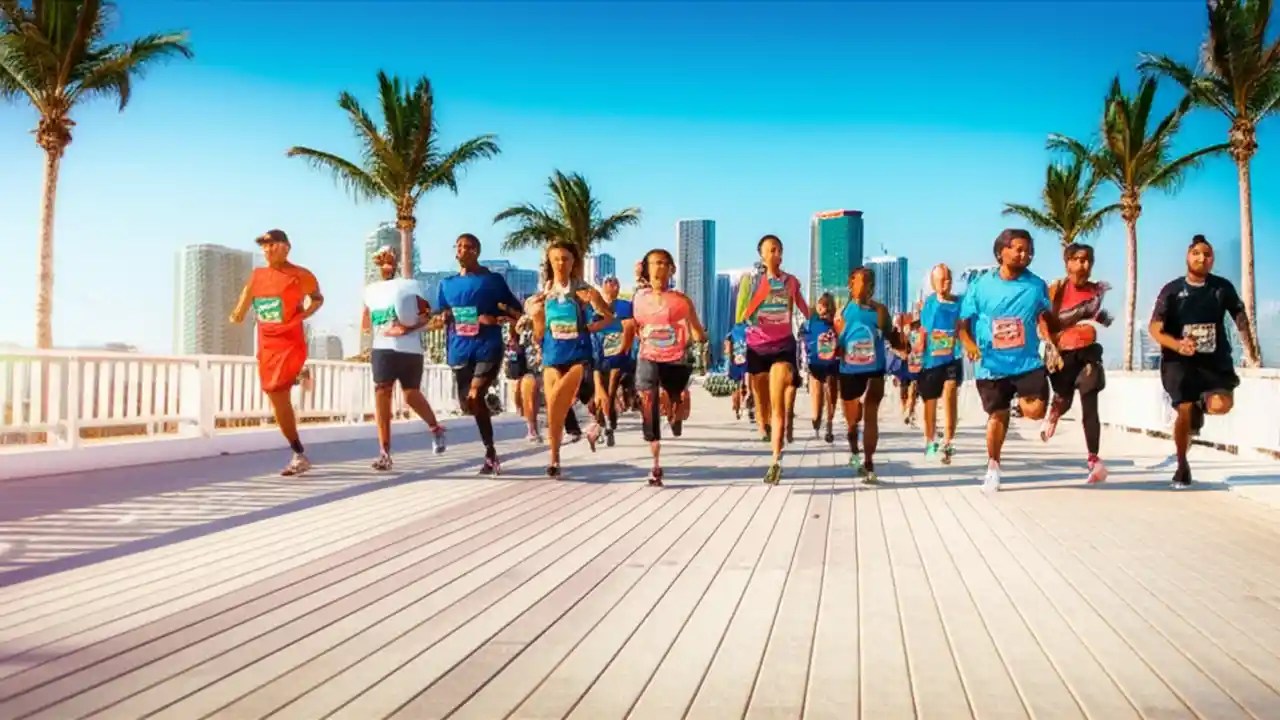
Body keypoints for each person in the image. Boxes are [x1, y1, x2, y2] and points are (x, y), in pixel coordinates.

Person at [1149, 235, 1260, 489]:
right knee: (1185, 410)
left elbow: (1240, 318)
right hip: (1179, 362)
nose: (1202, 258)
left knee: (1221, 405)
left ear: (1212, 260)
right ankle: (1181, 465)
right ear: (1188, 256)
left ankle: (1199, 406)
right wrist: (1178, 345)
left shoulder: (1222, 288)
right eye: (1196, 253)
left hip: (1214, 362)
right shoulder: (1172, 290)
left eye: (1207, 254)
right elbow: (1155, 328)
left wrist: (1251, 350)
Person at [959, 228, 1055, 494]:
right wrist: (968, 343)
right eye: (1019, 249)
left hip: (1026, 362)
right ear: (1001, 251)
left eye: (1029, 250)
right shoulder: (980, 285)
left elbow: (1044, 318)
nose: (1025, 254)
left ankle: (1015, 408)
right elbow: (963, 323)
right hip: (991, 364)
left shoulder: (1036, 285)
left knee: (1035, 410)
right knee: (995, 417)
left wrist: (1051, 342)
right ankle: (993, 467)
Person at [229, 229, 324, 476]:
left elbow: (317, 298)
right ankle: (298, 451)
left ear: (286, 247)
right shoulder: (257, 276)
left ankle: (298, 453)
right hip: (267, 345)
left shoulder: (300, 275)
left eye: (272, 245)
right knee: (275, 397)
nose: (268, 250)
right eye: (264, 246)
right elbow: (241, 307)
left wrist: (302, 315)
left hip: (290, 342)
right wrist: (236, 315)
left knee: (276, 389)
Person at [433, 233, 522, 475]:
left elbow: (517, 310)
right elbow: (441, 313)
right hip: (460, 349)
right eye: (459, 246)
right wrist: (443, 316)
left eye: (467, 247)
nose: (462, 250)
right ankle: (491, 447)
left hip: (488, 346)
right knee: (468, 403)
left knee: (474, 394)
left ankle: (489, 449)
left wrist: (497, 318)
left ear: (477, 252)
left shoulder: (492, 280)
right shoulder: (447, 284)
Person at [527, 241, 614, 478]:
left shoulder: (584, 291)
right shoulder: (543, 294)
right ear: (549, 262)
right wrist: (536, 317)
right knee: (555, 404)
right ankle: (554, 457)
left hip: (578, 356)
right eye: (555, 259)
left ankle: (581, 433)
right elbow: (537, 336)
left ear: (574, 262)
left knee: (556, 400)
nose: (560, 263)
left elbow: (609, 318)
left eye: (565, 258)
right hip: (552, 355)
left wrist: (593, 315)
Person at [361, 245, 447, 470]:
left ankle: (435, 428)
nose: (386, 263)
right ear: (377, 264)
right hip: (382, 348)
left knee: (410, 395)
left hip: (409, 349)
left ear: (396, 262)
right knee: (382, 390)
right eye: (381, 259)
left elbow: (428, 317)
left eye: (390, 259)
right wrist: (371, 323)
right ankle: (384, 452)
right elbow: (366, 325)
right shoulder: (370, 291)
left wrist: (407, 329)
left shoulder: (410, 287)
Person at [632, 249, 708, 486]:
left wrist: (700, 340)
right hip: (648, 358)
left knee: (673, 403)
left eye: (665, 263)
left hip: (675, 360)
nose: (659, 268)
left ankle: (676, 411)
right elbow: (635, 322)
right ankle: (655, 464)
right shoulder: (639, 297)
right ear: (647, 268)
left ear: (672, 269)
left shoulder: (681, 301)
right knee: (648, 404)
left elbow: (697, 330)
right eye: (655, 263)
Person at [738, 235, 810, 484]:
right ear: (762, 255)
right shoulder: (752, 281)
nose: (776, 254)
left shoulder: (791, 282)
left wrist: (819, 322)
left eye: (779, 249)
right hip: (757, 348)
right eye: (771, 250)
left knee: (777, 403)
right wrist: (763, 292)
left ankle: (776, 460)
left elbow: (804, 308)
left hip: (782, 347)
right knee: (762, 405)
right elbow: (743, 315)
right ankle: (765, 425)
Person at [1040, 243, 1113, 484]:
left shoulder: (1096, 291)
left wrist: (1104, 321)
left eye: (1088, 260)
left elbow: (1099, 316)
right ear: (1067, 263)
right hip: (1062, 355)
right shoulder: (1056, 290)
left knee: (1090, 400)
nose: (1084, 265)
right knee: (1065, 399)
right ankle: (1055, 411)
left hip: (1088, 354)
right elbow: (1043, 321)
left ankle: (1094, 458)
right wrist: (1052, 345)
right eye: (1078, 260)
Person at [835, 267, 900, 482]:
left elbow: (893, 338)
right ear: (851, 285)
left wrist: (904, 344)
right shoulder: (842, 312)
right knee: (853, 421)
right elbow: (834, 344)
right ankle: (855, 449)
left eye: (869, 282)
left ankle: (869, 462)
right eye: (860, 282)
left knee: (871, 413)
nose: (865, 286)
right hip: (849, 371)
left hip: (874, 370)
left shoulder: (881, 311)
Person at [916, 263, 964, 464]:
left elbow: (966, 325)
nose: (946, 283)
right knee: (930, 402)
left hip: (953, 357)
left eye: (949, 279)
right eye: (942, 280)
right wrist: (918, 348)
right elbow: (924, 330)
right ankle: (930, 440)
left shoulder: (960, 302)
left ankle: (948, 441)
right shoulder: (930, 303)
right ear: (933, 283)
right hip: (931, 360)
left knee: (951, 391)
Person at [590, 276, 635, 447]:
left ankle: (608, 423)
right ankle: (605, 422)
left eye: (616, 282)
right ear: (602, 287)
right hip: (597, 352)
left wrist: (626, 347)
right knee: (600, 390)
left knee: (611, 387)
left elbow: (631, 326)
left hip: (617, 350)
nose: (613, 284)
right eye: (608, 282)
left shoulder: (625, 305)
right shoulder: (593, 305)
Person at [800, 293, 840, 443]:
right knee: (817, 401)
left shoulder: (837, 324)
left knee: (832, 394)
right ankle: (817, 421)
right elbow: (802, 340)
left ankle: (829, 425)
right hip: (815, 365)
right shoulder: (810, 323)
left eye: (826, 306)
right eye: (821, 305)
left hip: (833, 364)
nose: (823, 309)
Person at [505, 316, 542, 442]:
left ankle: (532, 427)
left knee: (532, 396)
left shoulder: (542, 324)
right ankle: (532, 427)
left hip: (538, 366)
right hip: (524, 367)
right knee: (529, 397)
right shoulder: (519, 328)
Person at [886, 312, 923, 426]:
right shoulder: (896, 333)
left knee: (913, 389)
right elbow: (891, 347)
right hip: (902, 367)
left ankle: (909, 413)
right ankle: (905, 412)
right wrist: (900, 353)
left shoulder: (919, 333)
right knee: (904, 393)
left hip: (914, 364)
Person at [723, 321, 753, 422]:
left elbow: (728, 350)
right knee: (746, 386)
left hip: (735, 362)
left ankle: (738, 408)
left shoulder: (732, 332)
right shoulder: (749, 329)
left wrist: (729, 361)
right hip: (746, 361)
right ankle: (743, 407)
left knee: (738, 386)